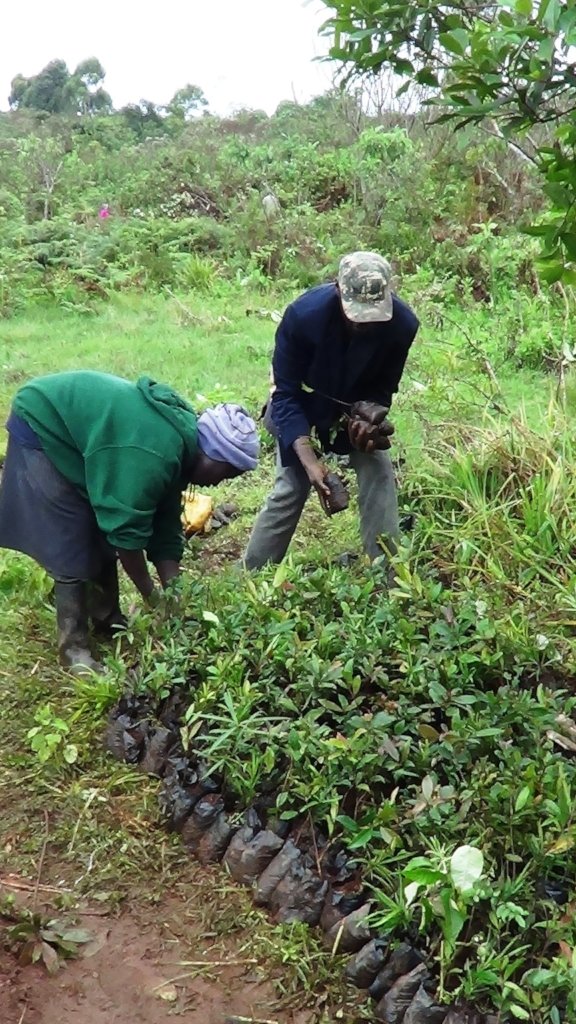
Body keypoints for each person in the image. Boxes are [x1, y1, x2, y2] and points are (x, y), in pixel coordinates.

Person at [0, 372, 259, 673]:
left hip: (88, 437)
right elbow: (126, 537)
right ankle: (73, 650)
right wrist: (152, 596)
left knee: (100, 527)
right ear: (212, 455)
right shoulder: (153, 454)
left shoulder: (180, 448)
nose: (219, 484)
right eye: (226, 473)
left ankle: (106, 618)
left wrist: (176, 595)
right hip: (45, 423)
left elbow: (164, 527)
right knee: (70, 539)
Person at [243, 251, 419, 570]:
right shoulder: (303, 317)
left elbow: (383, 387)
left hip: (349, 413)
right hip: (301, 409)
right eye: (356, 316)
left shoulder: (402, 325)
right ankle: (250, 577)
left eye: (373, 317)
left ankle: (390, 581)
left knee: (378, 473)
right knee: (293, 484)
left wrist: (369, 419)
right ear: (338, 289)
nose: (365, 326)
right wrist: (311, 462)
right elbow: (285, 394)